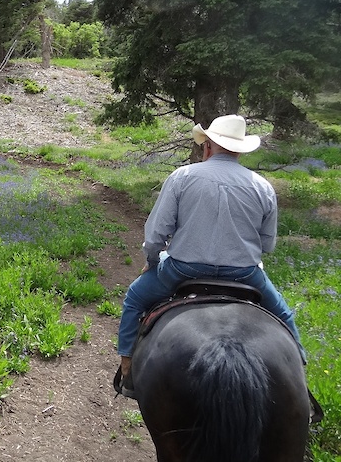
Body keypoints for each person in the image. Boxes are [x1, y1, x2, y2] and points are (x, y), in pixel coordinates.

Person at [115, 114, 305, 398]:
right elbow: (267, 245)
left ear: (207, 146)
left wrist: (153, 262)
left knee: (134, 299)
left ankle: (127, 367)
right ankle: (301, 376)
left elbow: (156, 234)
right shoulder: (262, 187)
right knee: (284, 315)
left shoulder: (182, 177)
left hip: (183, 271)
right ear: (240, 150)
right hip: (244, 274)